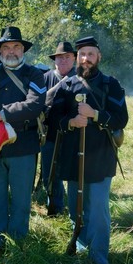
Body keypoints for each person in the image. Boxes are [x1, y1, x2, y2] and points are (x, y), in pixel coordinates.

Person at [51, 36, 129, 264]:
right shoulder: (65, 86)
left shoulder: (110, 84)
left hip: (101, 157)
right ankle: (82, 245)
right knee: (77, 205)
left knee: (98, 209)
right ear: (77, 57)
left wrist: (95, 114)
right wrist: (71, 121)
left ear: (98, 57)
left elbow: (121, 119)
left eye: (91, 54)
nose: (86, 59)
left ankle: (99, 256)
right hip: (73, 155)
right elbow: (53, 118)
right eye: (82, 54)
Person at [0, 26, 46, 258]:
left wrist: (0, 115)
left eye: (16, 46)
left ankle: (19, 239)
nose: (11, 51)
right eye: (6, 47)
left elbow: (34, 105)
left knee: (22, 199)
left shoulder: (35, 75)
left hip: (23, 144)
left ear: (23, 49)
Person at [40, 41, 77, 216]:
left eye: (67, 57)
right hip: (50, 134)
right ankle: (55, 208)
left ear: (74, 59)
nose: (63, 61)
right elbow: (39, 102)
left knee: (73, 175)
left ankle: (75, 211)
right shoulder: (46, 78)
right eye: (60, 57)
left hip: (74, 135)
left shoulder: (81, 79)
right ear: (55, 60)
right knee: (49, 175)